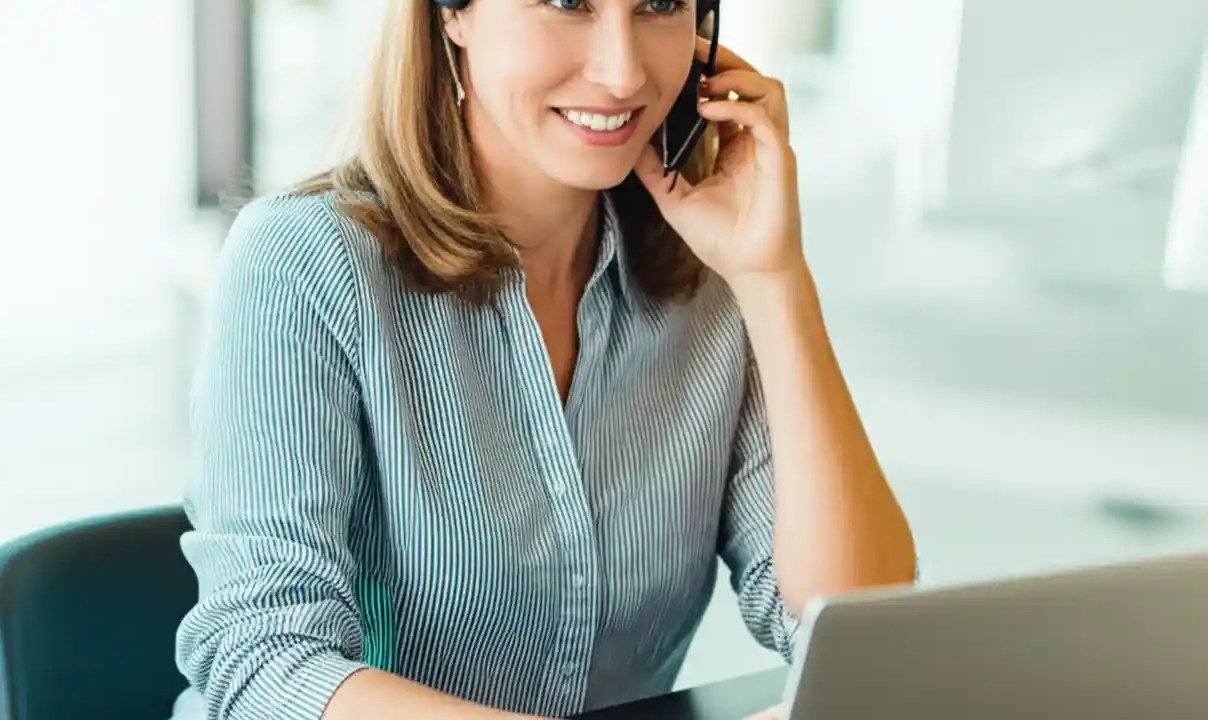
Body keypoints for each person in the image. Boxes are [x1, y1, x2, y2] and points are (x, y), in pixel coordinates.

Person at [169, 1, 918, 719]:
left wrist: (774, 278)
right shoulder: (303, 263)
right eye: (567, 2)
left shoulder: (708, 280)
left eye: (659, 4)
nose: (623, 73)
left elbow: (861, 637)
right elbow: (264, 664)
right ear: (452, 14)